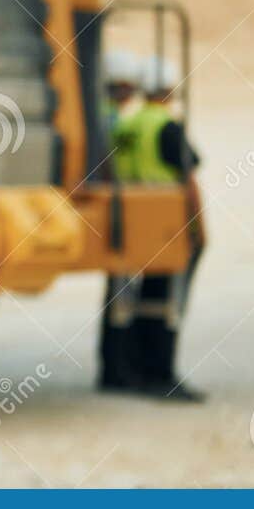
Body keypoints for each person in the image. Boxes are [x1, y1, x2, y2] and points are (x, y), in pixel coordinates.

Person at [97, 56, 207, 401]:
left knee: (122, 299)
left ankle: (117, 371)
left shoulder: (126, 125)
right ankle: (159, 373)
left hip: (128, 219)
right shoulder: (165, 126)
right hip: (166, 225)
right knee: (165, 300)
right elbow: (187, 179)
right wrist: (199, 228)